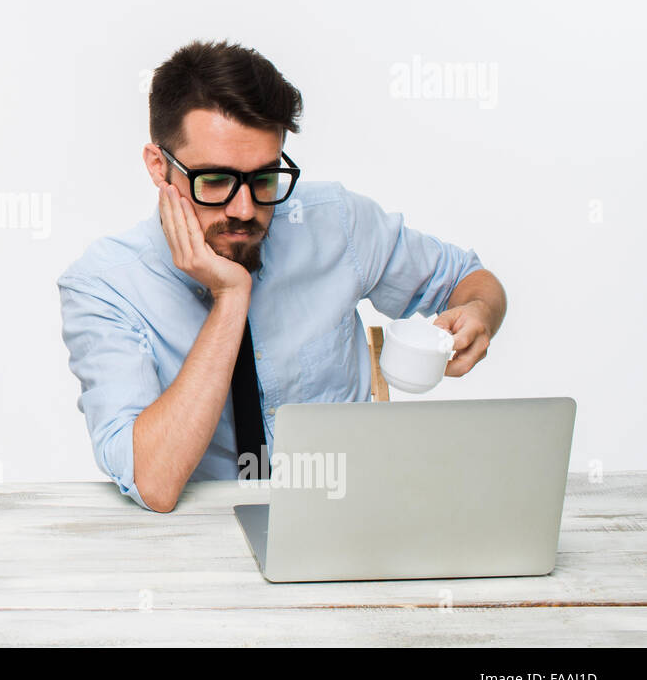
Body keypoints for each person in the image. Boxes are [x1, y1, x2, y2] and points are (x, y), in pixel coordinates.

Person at [57, 40, 505, 513]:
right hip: (202, 544)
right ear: (158, 166)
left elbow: (471, 278)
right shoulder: (105, 288)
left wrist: (479, 311)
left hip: (349, 516)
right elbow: (154, 481)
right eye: (215, 181)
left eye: (265, 178)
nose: (245, 209)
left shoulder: (336, 224)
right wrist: (232, 296)